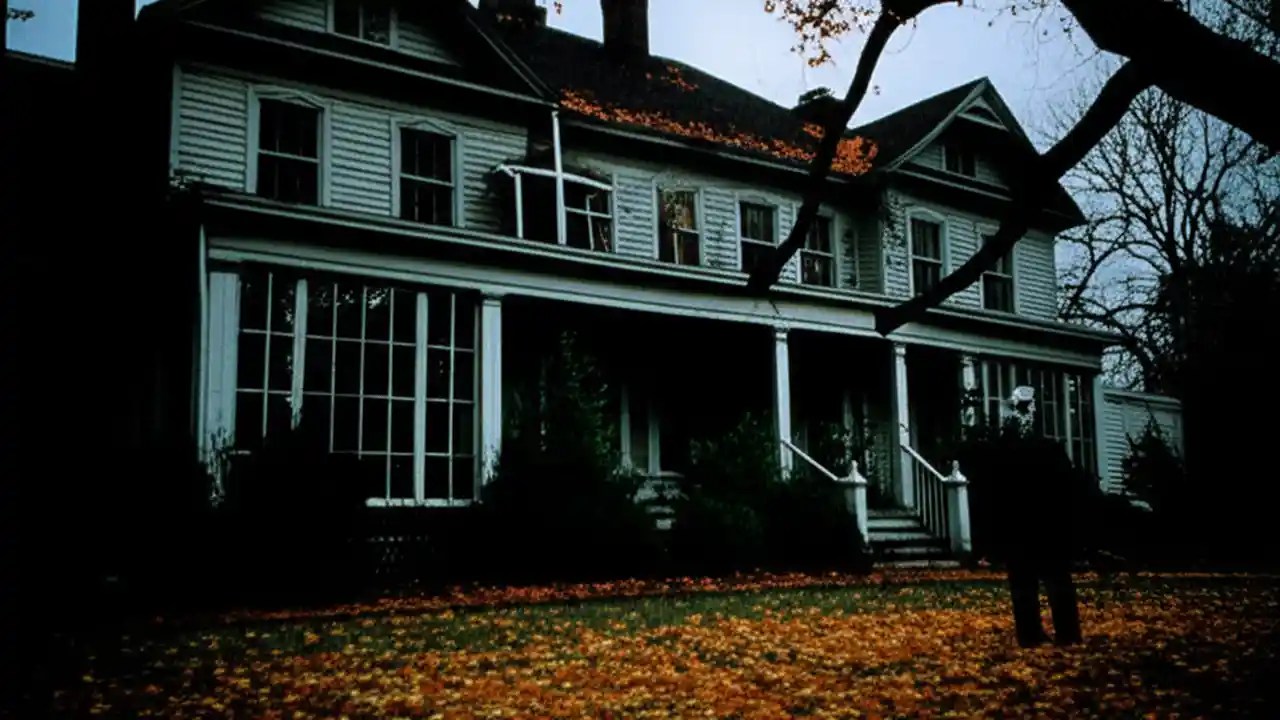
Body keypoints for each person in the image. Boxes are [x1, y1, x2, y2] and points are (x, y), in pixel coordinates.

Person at [993, 387, 1083, 647]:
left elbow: (1067, 489)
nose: (1021, 416)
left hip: (1044, 526)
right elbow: (996, 493)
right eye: (1017, 410)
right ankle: (1036, 634)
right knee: (1029, 583)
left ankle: (1061, 634)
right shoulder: (1009, 453)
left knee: (1052, 580)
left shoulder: (1044, 450)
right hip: (1026, 527)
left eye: (1024, 409)